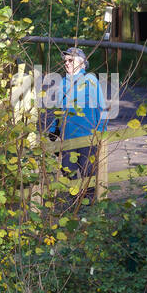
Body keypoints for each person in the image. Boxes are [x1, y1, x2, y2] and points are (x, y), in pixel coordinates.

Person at [48, 47, 104, 198]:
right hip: (68, 137)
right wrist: (54, 129)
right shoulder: (63, 82)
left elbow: (101, 107)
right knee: (67, 169)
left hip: (87, 136)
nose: (66, 63)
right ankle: (76, 201)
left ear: (82, 63)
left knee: (88, 173)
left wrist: (101, 133)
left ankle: (91, 206)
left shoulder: (90, 80)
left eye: (70, 60)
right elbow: (59, 109)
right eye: (65, 61)